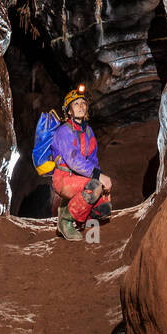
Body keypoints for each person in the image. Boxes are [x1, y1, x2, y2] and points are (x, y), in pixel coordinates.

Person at [51, 85, 112, 241]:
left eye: (83, 103)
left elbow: (92, 160)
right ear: (69, 111)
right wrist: (98, 177)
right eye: (76, 104)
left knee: (104, 208)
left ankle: (71, 210)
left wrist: (100, 175)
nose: (81, 106)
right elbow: (74, 161)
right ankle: (65, 221)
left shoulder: (89, 132)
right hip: (64, 177)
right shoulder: (64, 131)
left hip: (79, 178)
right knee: (95, 186)